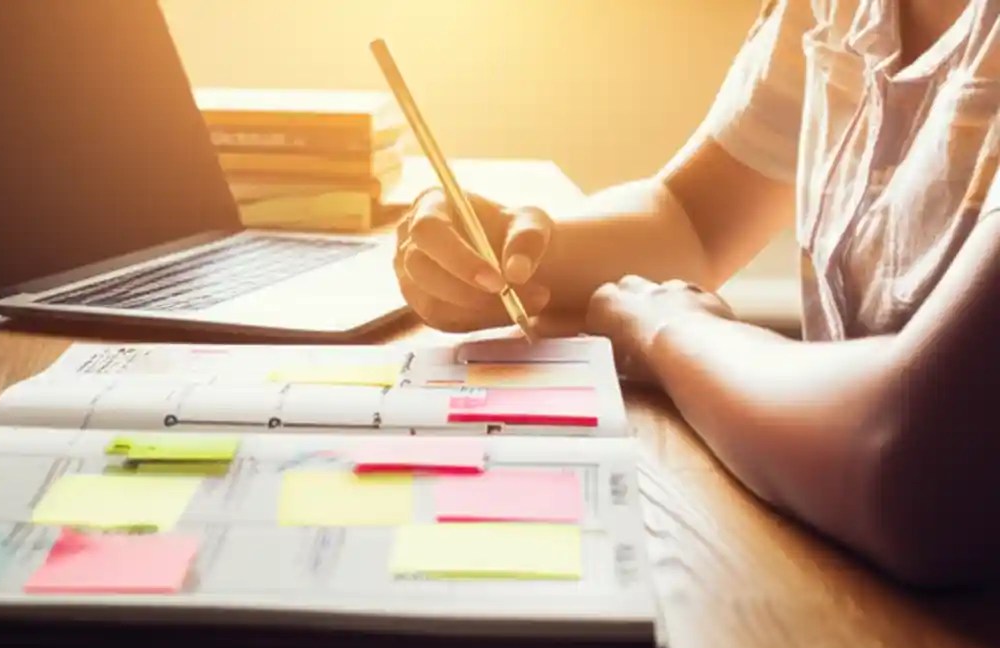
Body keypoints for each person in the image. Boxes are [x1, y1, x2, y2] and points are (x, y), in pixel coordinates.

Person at [395, 0, 999, 589]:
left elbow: (921, 459)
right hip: (840, 569)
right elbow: (692, 221)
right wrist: (514, 254)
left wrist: (673, 331)